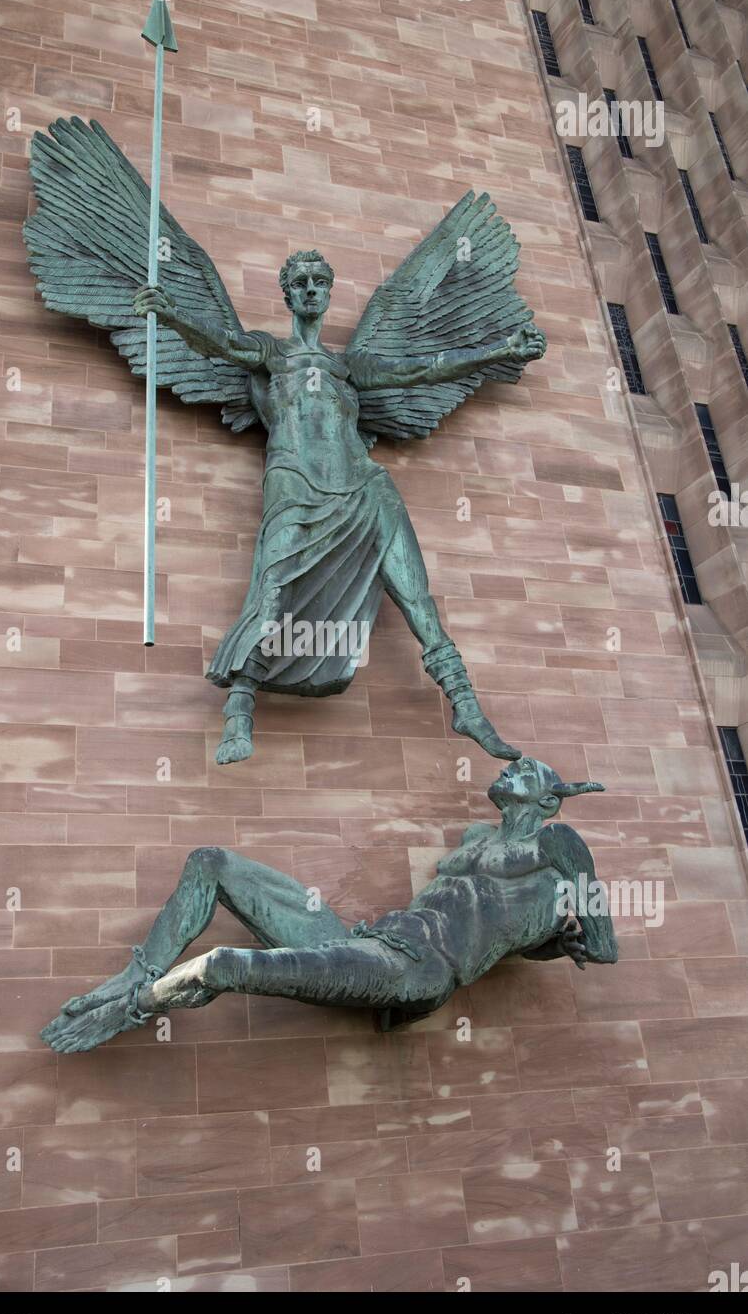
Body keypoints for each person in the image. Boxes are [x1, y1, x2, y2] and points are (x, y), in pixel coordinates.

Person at [133, 250, 544, 764]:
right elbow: (222, 343)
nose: (310, 289)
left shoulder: (350, 367)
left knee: (417, 596)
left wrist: (501, 349)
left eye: (319, 281)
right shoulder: (272, 354)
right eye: (299, 282)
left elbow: (423, 370)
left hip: (366, 486)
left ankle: (465, 704)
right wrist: (171, 314)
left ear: (329, 291)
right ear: (286, 295)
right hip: (296, 486)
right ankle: (239, 711)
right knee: (272, 591)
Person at [41, 757, 617, 1054]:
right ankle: (130, 978)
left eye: (525, 771)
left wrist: (561, 940)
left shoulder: (557, 844)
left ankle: (130, 1010)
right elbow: (501, 924)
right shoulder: (474, 840)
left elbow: (599, 941)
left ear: (548, 800)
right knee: (210, 861)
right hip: (367, 940)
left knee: (223, 964)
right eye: (511, 763)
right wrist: (543, 942)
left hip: (416, 970)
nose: (508, 767)